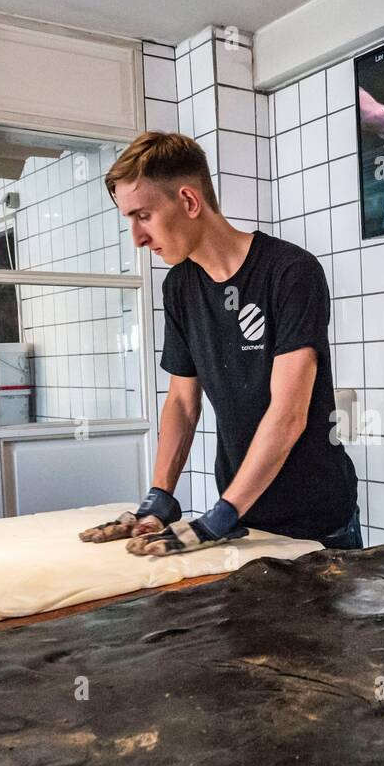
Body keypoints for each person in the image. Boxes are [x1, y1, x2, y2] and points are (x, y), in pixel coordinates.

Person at [81, 132, 360, 555]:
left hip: (316, 519)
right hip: (244, 518)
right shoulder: (179, 287)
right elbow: (181, 402)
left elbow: (288, 414)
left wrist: (219, 517)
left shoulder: (289, 272)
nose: (137, 238)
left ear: (189, 202)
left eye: (144, 216)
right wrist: (160, 496)